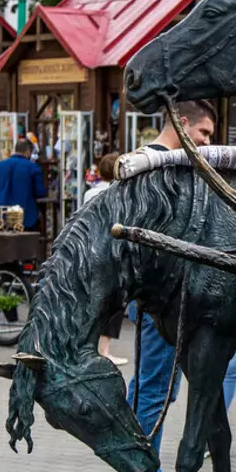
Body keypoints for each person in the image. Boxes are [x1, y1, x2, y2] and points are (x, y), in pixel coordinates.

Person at [120, 99, 216, 472]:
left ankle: (132, 471)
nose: (207, 142)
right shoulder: (152, 164)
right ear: (182, 123)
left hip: (161, 299)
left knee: (149, 388)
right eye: (204, 133)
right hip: (162, 299)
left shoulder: (156, 161)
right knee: (155, 392)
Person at [83, 154, 127, 366]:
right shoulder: (120, 193)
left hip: (90, 251)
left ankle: (87, 346)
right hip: (112, 252)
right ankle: (104, 349)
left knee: (93, 300)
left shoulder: (90, 192)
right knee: (113, 302)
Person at [0, 139, 46, 231]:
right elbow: (40, 192)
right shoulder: (33, 168)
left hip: (2, 217)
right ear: (28, 151)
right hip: (26, 218)